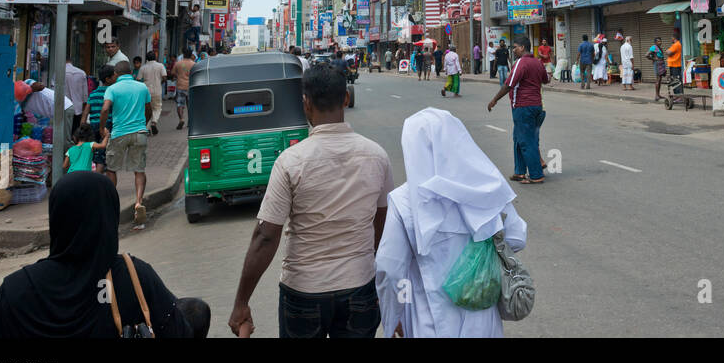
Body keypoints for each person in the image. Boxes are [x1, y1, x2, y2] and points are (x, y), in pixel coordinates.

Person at [229, 63, 392, 338]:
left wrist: (241, 302)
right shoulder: (376, 155)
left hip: (304, 292)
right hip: (360, 287)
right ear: (346, 98)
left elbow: (266, 236)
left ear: (306, 104)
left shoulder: (291, 162)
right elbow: (381, 221)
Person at [0, 172, 209, 338]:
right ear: (108, 218)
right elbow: (180, 330)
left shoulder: (17, 288)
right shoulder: (132, 276)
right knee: (195, 309)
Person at [375, 108, 528, 338]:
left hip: (430, 321)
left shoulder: (404, 200)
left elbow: (390, 270)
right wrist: (477, 257)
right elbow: (516, 236)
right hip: (482, 315)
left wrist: (393, 318)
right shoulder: (486, 186)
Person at [99, 60, 153, 229]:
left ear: (116, 74)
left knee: (112, 169)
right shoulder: (142, 87)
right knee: (139, 170)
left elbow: (105, 109)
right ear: (131, 72)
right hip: (139, 133)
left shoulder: (112, 89)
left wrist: (102, 128)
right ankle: (138, 204)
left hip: (119, 134)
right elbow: (149, 108)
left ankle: (111, 205)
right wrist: (144, 123)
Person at [488, 37, 547, 184]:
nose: (513, 50)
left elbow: (509, 84)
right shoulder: (538, 62)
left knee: (527, 141)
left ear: (522, 48)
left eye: (515, 47)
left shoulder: (521, 63)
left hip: (523, 107)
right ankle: (519, 172)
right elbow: (546, 80)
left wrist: (494, 100)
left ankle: (535, 175)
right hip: (537, 106)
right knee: (518, 139)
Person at [85, 64, 115, 173]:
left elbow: (85, 112)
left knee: (94, 152)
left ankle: (92, 174)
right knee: (102, 156)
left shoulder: (93, 93)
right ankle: (96, 179)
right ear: (108, 79)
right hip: (107, 126)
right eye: (114, 76)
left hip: (93, 126)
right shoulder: (112, 93)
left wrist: (82, 127)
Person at [137, 52, 167, 135]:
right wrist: (160, 82)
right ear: (155, 57)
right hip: (157, 90)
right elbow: (164, 77)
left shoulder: (143, 68)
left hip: (146, 91)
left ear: (146, 58)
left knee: (147, 110)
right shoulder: (160, 66)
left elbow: (138, 79)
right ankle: (154, 122)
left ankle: (147, 128)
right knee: (157, 108)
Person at [63, 58, 89, 138]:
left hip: (64, 108)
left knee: (65, 134)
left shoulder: (59, 72)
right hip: (78, 109)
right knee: (75, 134)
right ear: (71, 62)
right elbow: (85, 95)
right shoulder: (81, 73)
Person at [172, 48, 196, 130]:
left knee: (180, 104)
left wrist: (179, 76)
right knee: (191, 105)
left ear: (183, 54)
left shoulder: (178, 63)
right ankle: (190, 122)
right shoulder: (193, 64)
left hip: (180, 86)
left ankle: (181, 119)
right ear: (191, 54)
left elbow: (173, 73)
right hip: (190, 87)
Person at [666, 28, 683, 95]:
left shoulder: (676, 45)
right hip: (673, 65)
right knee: (674, 80)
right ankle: (677, 95)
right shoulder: (675, 45)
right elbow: (668, 52)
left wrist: (668, 52)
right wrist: (668, 52)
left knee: (676, 81)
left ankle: (679, 95)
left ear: (674, 38)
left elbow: (668, 52)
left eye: (671, 37)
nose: (671, 39)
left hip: (675, 65)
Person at [649, 37, 668, 101]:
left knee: (660, 80)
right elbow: (646, 55)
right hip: (657, 64)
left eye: (660, 41)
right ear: (655, 42)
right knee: (658, 79)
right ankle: (656, 95)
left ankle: (658, 94)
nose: (660, 42)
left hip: (661, 64)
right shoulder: (654, 47)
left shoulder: (659, 48)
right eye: (658, 41)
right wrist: (654, 59)